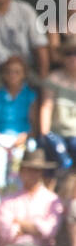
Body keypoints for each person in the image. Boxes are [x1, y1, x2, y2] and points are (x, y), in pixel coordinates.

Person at [0, 55, 36, 206]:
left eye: (17, 72)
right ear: (4, 75)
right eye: (9, 72)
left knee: (18, 158)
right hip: (0, 136)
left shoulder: (30, 95)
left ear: (24, 74)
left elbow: (34, 125)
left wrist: (25, 136)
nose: (13, 75)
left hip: (22, 137)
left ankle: (14, 200)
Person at [37, 38, 76, 169]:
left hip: (74, 135)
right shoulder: (53, 79)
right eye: (68, 54)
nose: (73, 58)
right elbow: (46, 107)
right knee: (63, 161)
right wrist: (45, 133)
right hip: (56, 133)